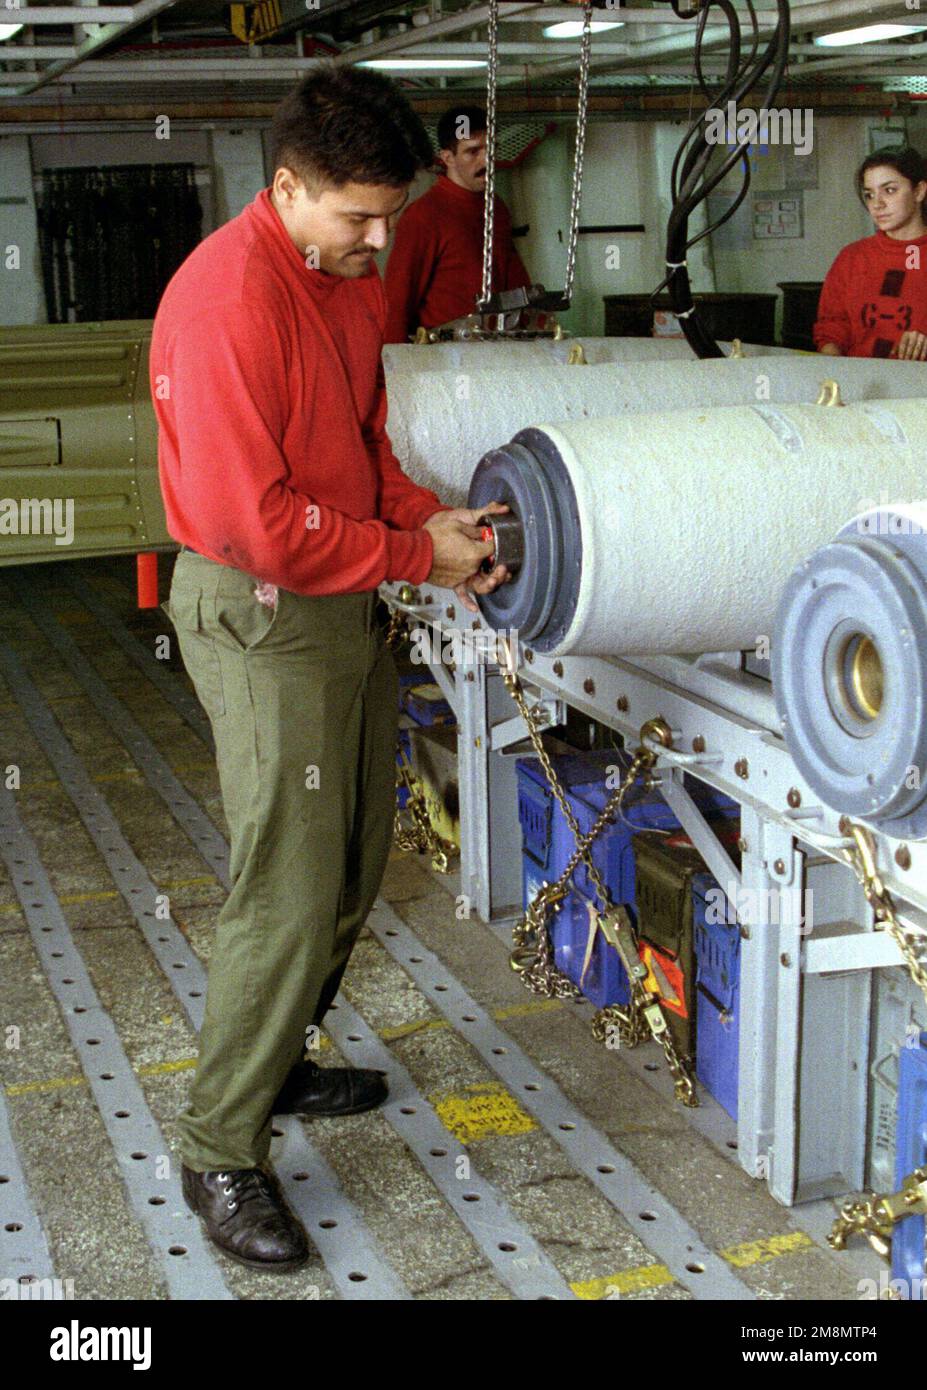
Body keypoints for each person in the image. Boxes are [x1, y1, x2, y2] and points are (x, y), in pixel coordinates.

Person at [150, 66, 509, 1273]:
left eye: (391, 213)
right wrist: (412, 552)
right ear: (286, 186)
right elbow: (258, 520)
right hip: (262, 611)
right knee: (289, 885)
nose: (380, 239)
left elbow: (361, 449)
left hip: (345, 595)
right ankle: (217, 1143)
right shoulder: (223, 303)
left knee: (356, 859)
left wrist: (439, 526)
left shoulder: (349, 283)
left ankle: (280, 1053)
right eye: (357, 215)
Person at [383, 103, 531, 342]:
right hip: (444, 356)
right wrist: (392, 370)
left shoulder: (497, 208)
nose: (486, 161)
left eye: (491, 149)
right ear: (447, 157)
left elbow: (513, 280)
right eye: (472, 152)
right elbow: (398, 299)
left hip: (496, 349)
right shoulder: (424, 216)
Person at [814, 146, 927, 360]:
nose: (877, 204)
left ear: (919, 191)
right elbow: (832, 327)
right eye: (869, 194)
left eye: (890, 190)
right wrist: (832, 365)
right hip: (861, 386)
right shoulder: (852, 257)